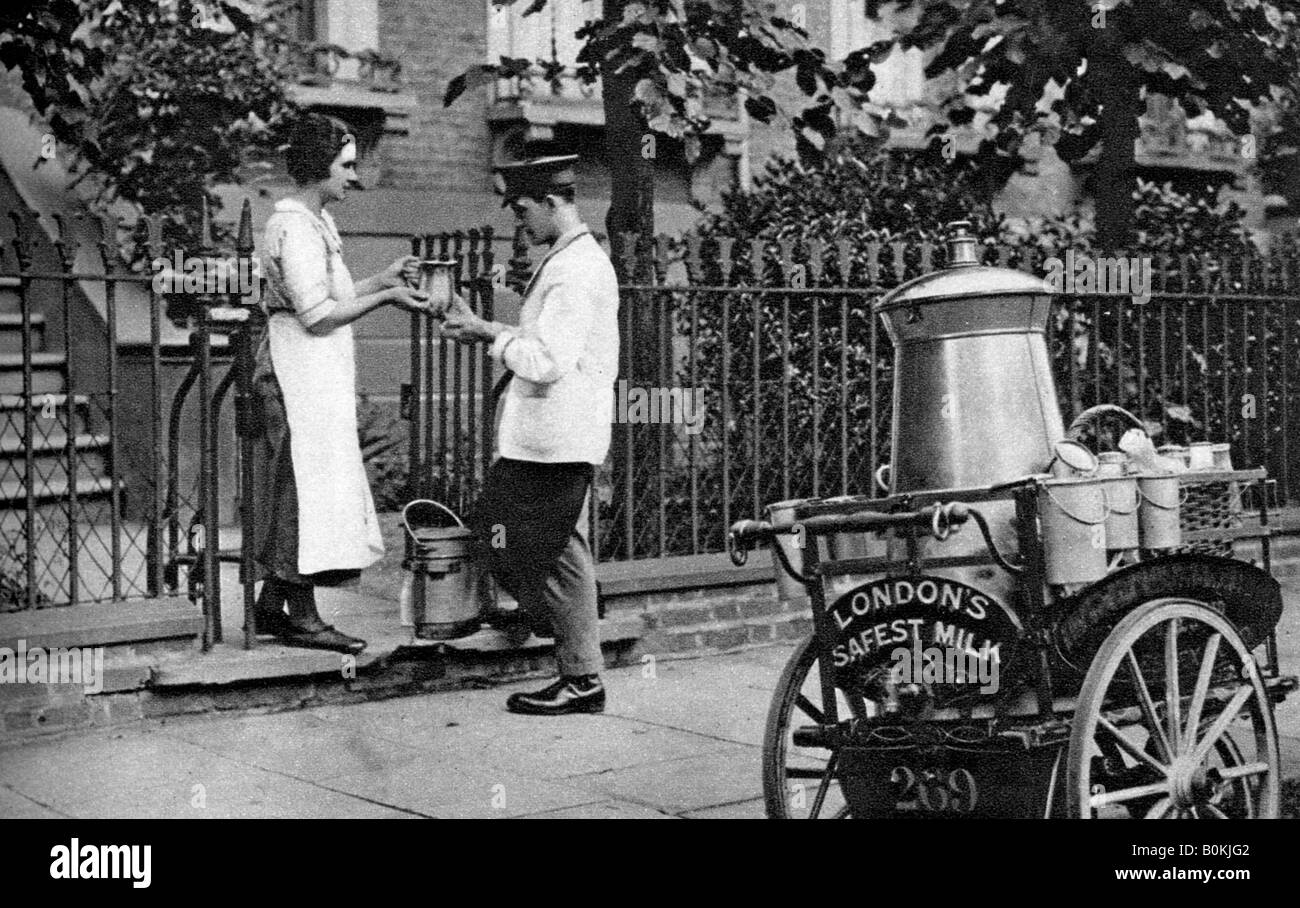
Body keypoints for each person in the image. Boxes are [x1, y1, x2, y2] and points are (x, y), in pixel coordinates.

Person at [440, 154, 619, 715]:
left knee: (554, 552)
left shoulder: (574, 269)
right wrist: (488, 329)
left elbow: (546, 361)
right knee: (520, 538)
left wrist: (488, 335)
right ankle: (569, 637)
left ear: (552, 202)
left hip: (558, 439)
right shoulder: (569, 260)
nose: (520, 222)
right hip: (549, 438)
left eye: (523, 209)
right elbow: (546, 344)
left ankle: (582, 673)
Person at [252, 114, 429, 653]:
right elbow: (317, 315)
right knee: (305, 490)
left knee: (317, 487)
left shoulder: (316, 222)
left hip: (317, 372)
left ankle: (272, 606)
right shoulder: (295, 227)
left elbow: (334, 296)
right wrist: (388, 298)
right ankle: (302, 616)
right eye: (346, 166)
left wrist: (383, 277)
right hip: (295, 369)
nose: (356, 178)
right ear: (317, 168)